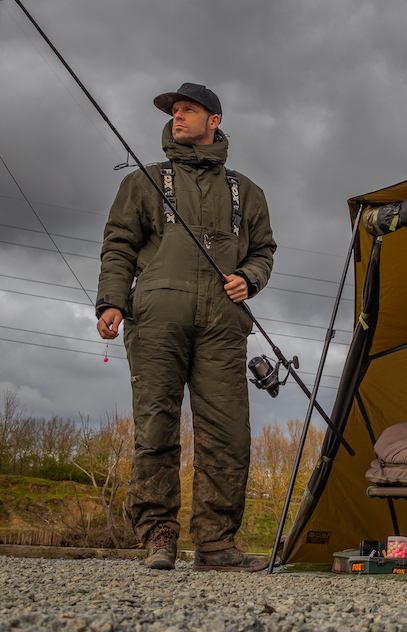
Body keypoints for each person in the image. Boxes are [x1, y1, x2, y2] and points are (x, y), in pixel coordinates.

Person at [95, 83, 276, 572]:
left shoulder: (247, 191)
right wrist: (111, 301)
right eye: (174, 111)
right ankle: (159, 534)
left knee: (227, 435)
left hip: (223, 325)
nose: (177, 117)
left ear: (214, 120)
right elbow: (119, 246)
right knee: (156, 428)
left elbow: (264, 251)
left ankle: (216, 544)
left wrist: (249, 279)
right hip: (155, 319)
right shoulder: (144, 182)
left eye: (188, 110)